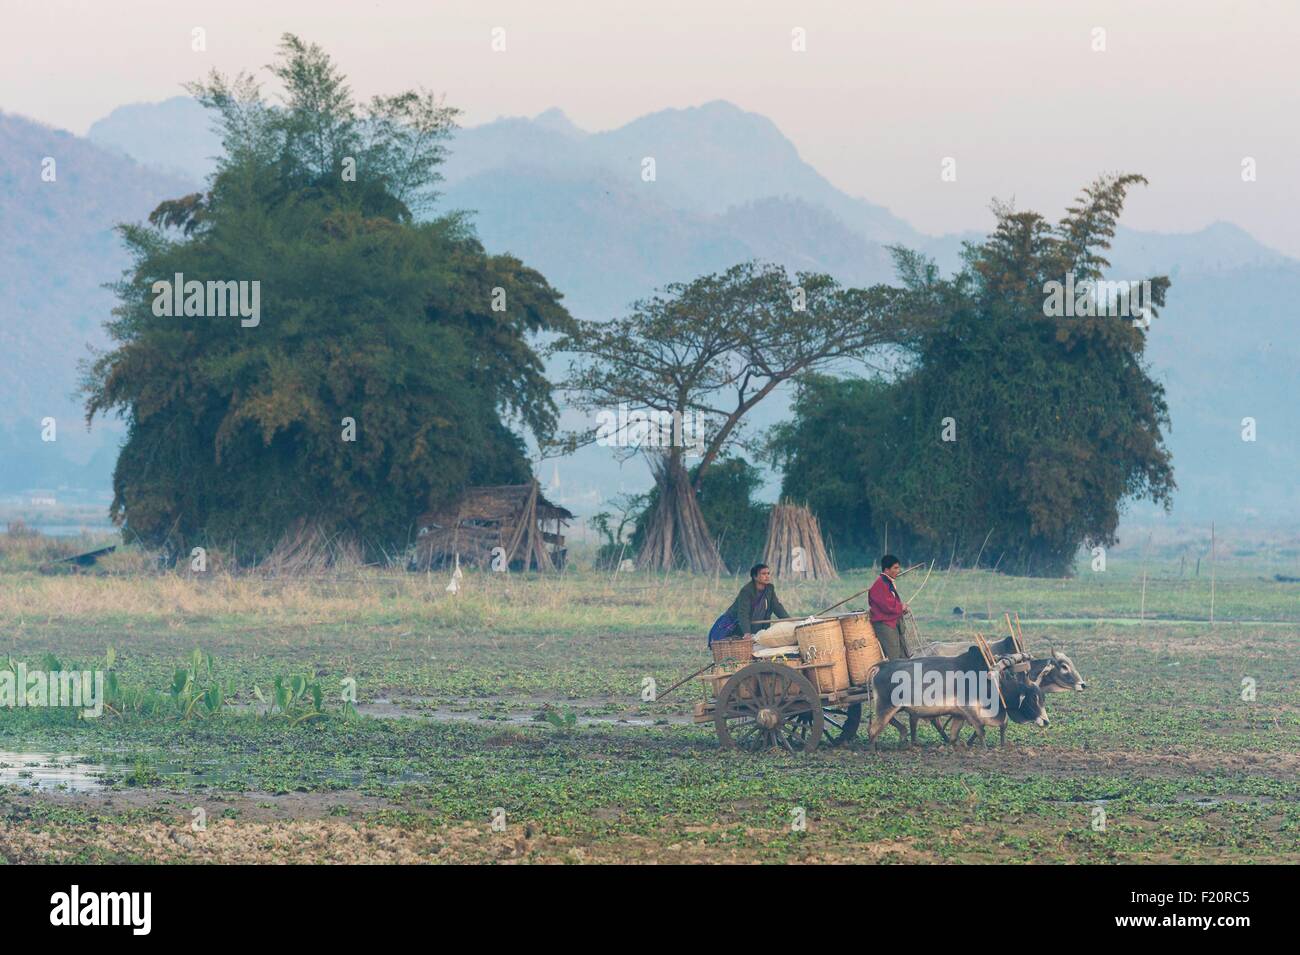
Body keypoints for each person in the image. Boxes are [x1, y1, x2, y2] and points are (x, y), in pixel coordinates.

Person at [708, 563, 789, 644]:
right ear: (755, 577)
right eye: (763, 574)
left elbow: (777, 606)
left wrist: (788, 620)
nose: (767, 576)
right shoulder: (746, 591)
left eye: (768, 573)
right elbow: (743, 613)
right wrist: (747, 633)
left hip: (758, 623)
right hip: (738, 624)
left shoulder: (769, 588)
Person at [868, 554, 909, 659]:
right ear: (886, 570)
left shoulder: (887, 582)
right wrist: (901, 607)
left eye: (898, 568)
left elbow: (890, 603)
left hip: (892, 622)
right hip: (885, 625)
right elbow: (888, 606)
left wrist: (901, 609)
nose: (898, 571)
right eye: (895, 568)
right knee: (894, 655)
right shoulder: (880, 584)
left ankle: (904, 673)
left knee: (902, 652)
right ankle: (896, 674)